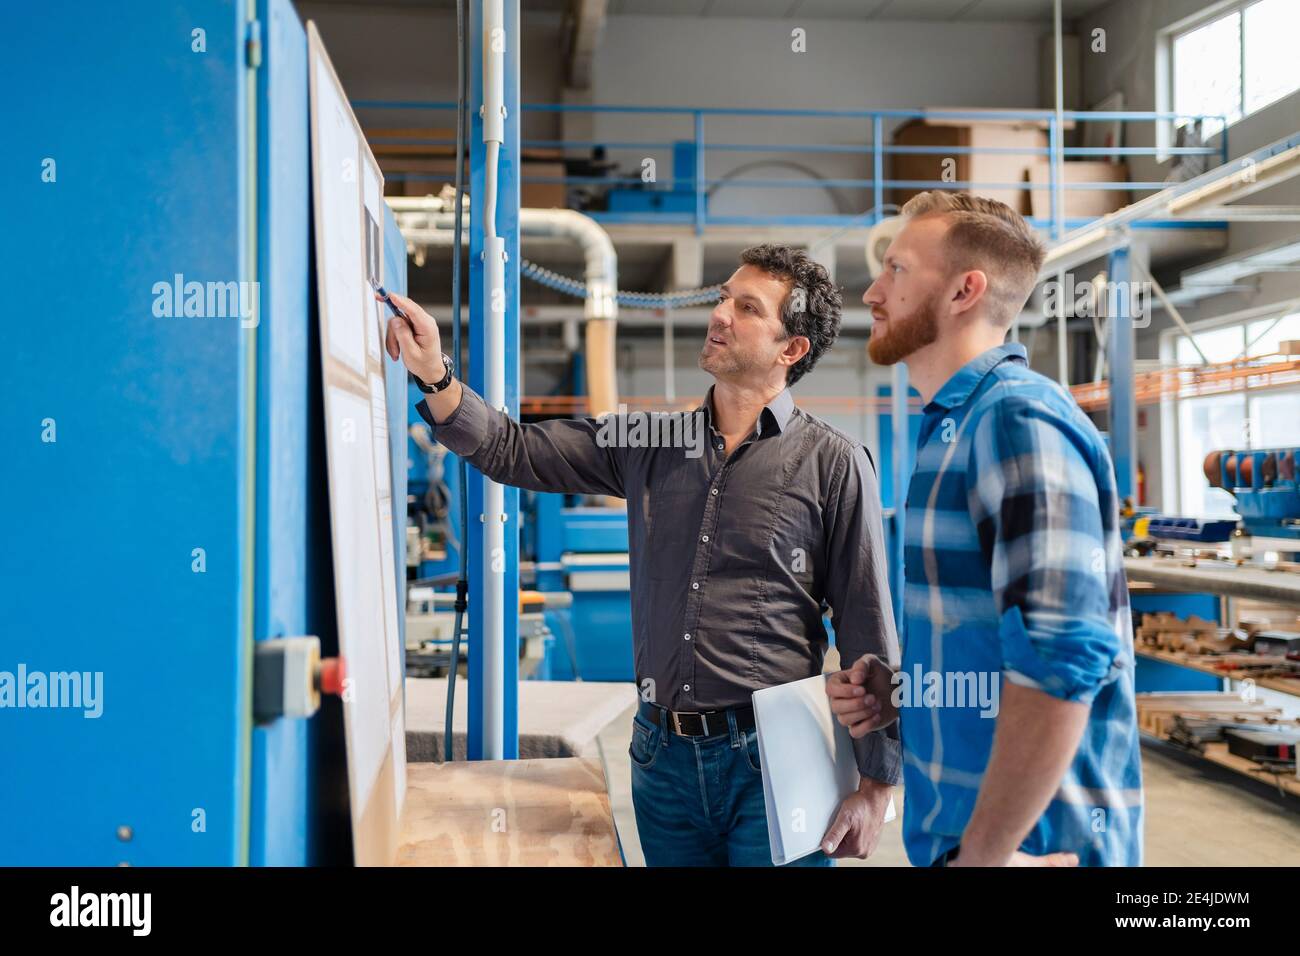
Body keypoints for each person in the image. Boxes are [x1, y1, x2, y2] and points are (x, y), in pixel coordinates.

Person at [384, 244, 899, 866]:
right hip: (663, 757)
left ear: (790, 349)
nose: (720, 315)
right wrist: (435, 373)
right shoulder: (649, 442)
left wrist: (878, 783)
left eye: (746, 307)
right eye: (721, 298)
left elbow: (868, 626)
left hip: (777, 755)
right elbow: (512, 450)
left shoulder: (834, 464)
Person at [827, 191, 1143, 867]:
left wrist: (985, 856)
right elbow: (998, 639)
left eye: (897, 270)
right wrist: (909, 690)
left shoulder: (1015, 420)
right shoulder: (950, 430)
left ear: (965, 290)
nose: (874, 292)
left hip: (1032, 850)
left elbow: (1062, 656)